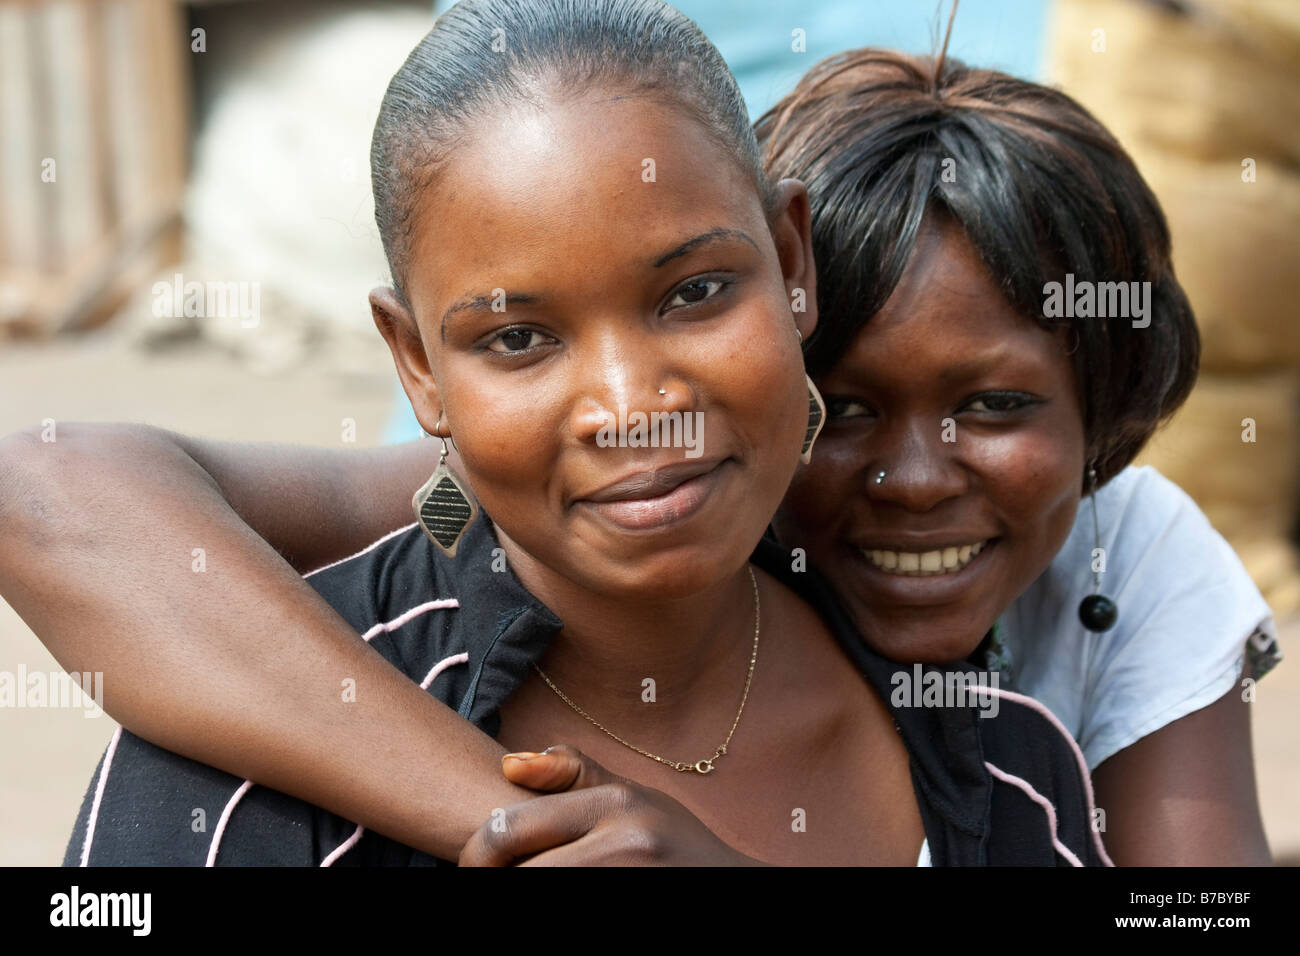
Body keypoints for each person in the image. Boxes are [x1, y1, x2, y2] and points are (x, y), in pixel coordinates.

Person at [2, 24, 1270, 865]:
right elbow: (46, 484)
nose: (631, 405)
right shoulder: (247, 784)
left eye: (691, 295)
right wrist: (520, 821)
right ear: (415, 368)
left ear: (787, 271)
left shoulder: (1017, 757)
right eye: (515, 338)